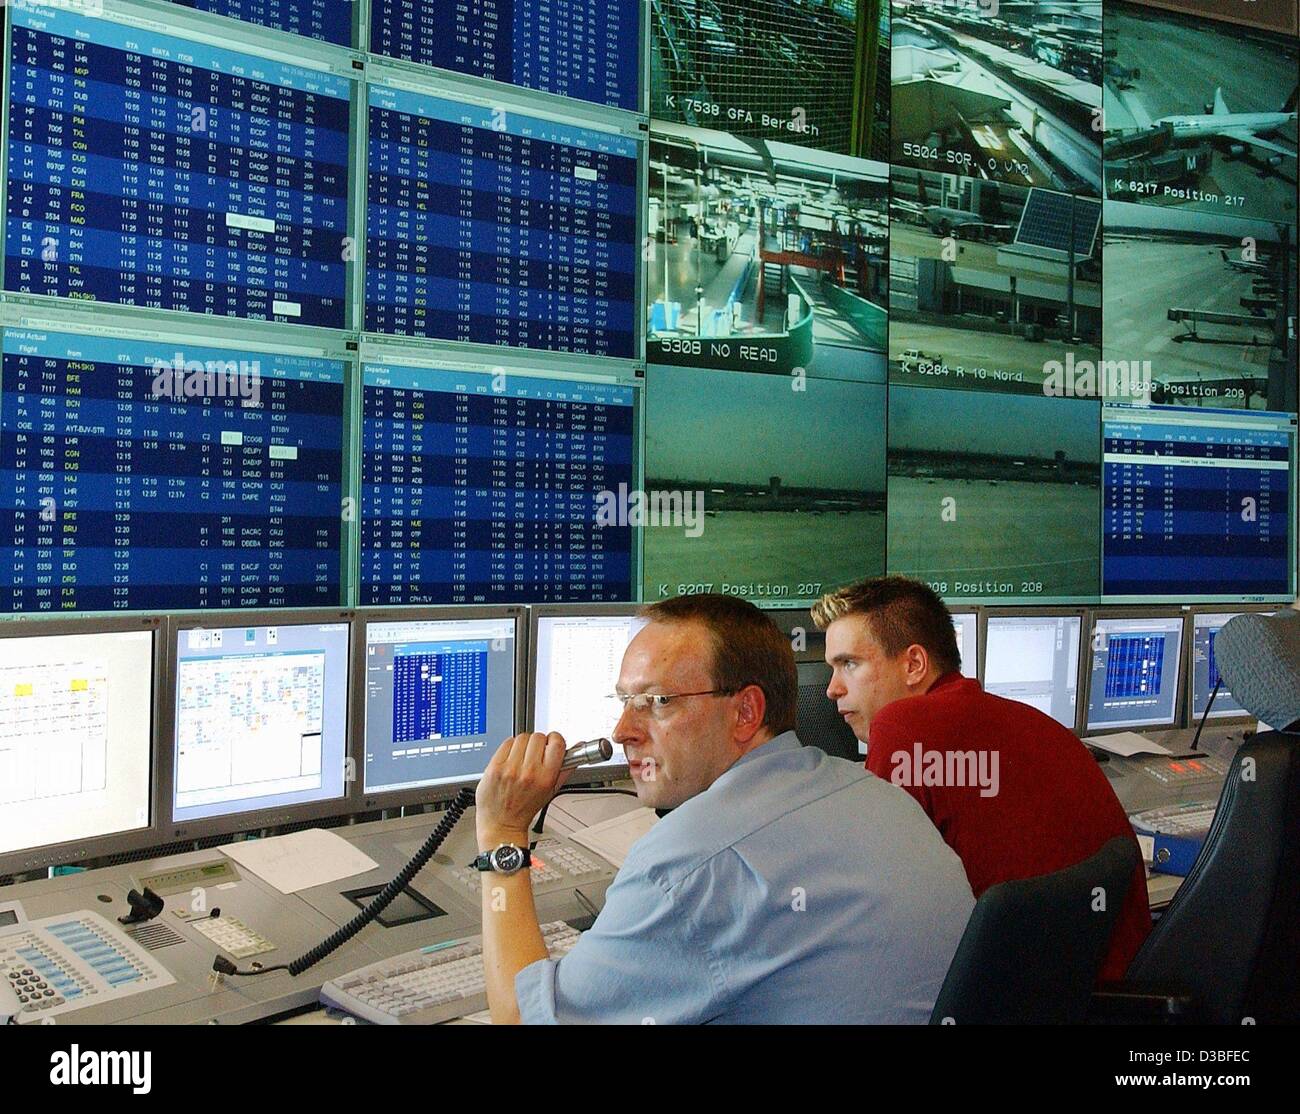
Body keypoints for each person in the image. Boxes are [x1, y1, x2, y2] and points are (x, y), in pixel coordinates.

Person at [475, 593, 974, 1023]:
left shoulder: (687, 868)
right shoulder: (882, 798)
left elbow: (520, 1018)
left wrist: (502, 833)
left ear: (746, 712)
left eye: (658, 701)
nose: (622, 730)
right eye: (624, 701)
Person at [813, 576, 1150, 982]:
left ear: (914, 665)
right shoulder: (1032, 722)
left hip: (1023, 997)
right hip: (1101, 991)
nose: (832, 688)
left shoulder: (902, 725)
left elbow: (868, 900)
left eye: (849, 664)